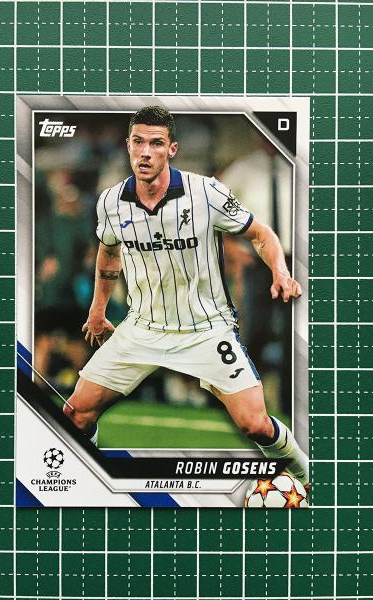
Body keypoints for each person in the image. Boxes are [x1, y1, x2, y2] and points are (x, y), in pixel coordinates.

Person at [62, 106, 309, 486]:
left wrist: (280, 271)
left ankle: (306, 476)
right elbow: (109, 252)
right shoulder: (110, 201)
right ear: (128, 145)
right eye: (139, 142)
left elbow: (261, 233)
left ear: (172, 149)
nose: (146, 152)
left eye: (156, 143)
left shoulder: (206, 192)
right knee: (76, 414)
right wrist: (98, 310)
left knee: (255, 424)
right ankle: (89, 481)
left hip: (206, 330)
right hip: (142, 328)